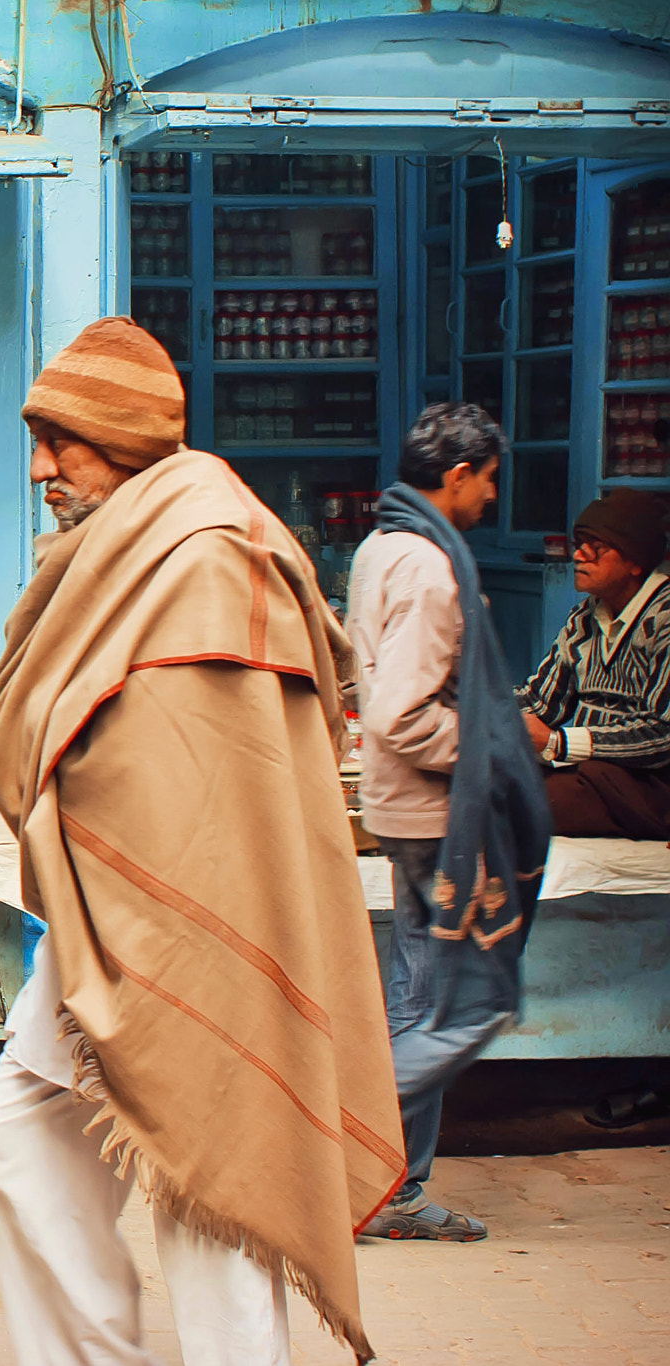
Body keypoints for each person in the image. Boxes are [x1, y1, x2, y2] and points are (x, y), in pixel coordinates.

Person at [0, 318, 404, 1364]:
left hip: (202, 918)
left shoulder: (206, 553)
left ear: (116, 437)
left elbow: (210, 776)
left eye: (56, 442)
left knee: (219, 1186)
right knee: (14, 1146)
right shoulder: (125, 546)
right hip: (106, 920)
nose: (37, 468)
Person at [348, 403, 551, 1244]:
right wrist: (496, 736)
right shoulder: (431, 569)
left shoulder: (379, 546)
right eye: (490, 479)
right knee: (458, 1005)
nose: (492, 496)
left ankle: (380, 1177)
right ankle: (372, 1166)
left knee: (417, 991)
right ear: (458, 474)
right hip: (437, 813)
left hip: (403, 807)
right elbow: (400, 713)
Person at [519, 486, 670, 838]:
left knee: (521, 804)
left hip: (647, 786)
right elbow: (541, 701)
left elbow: (664, 735)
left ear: (635, 561)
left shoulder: (663, 619)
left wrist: (558, 743)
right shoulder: (585, 618)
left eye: (596, 547)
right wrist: (478, 709)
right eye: (578, 543)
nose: (579, 556)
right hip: (591, 775)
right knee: (482, 778)